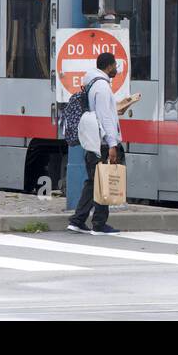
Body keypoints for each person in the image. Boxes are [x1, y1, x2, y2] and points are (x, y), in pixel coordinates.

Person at [67, 52, 123, 235]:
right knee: (104, 181)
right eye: (115, 65)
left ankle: (77, 220)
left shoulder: (92, 84)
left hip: (93, 140)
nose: (116, 69)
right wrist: (112, 144)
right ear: (108, 66)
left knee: (93, 182)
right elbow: (105, 117)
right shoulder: (102, 87)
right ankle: (99, 224)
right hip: (103, 142)